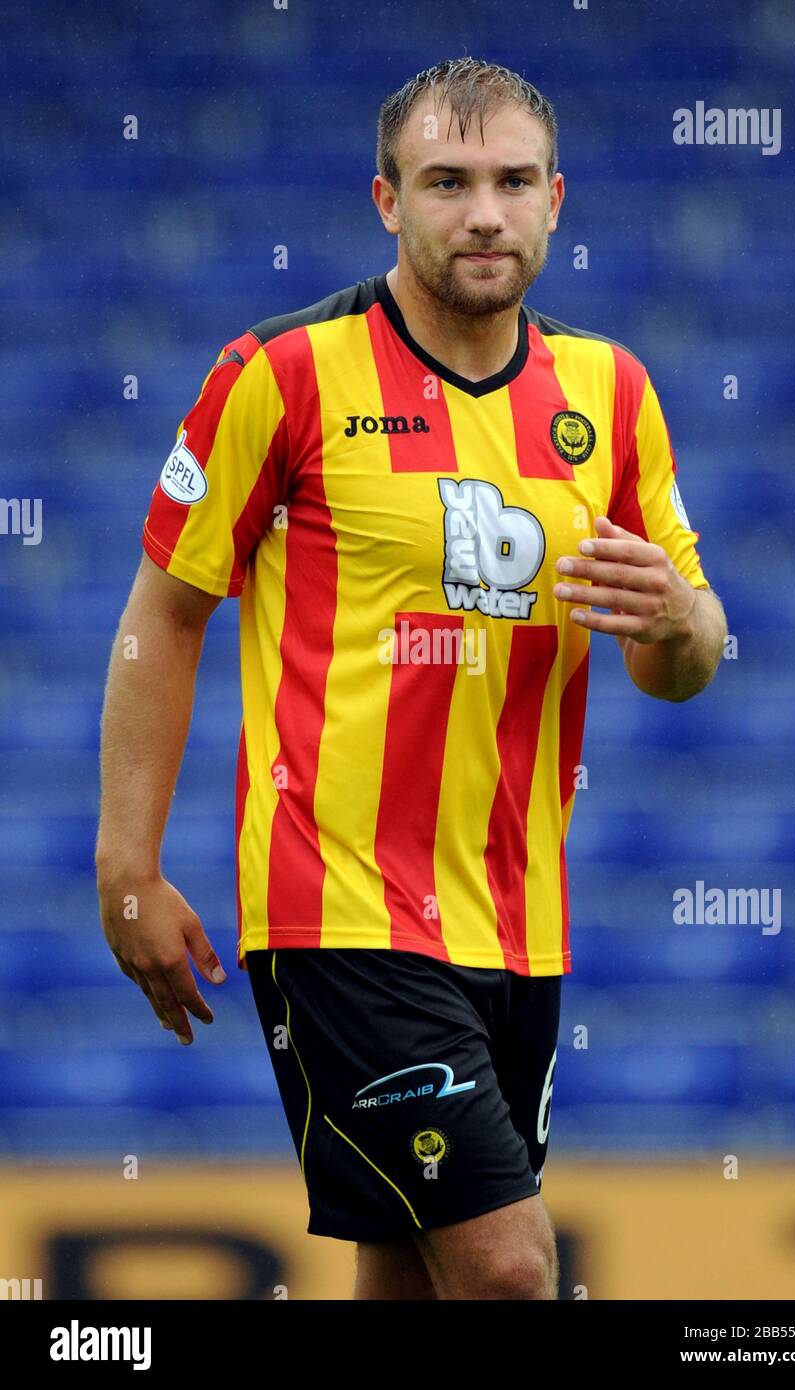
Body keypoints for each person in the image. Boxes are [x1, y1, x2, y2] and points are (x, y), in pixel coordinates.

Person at [96, 56, 727, 1301]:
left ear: (558, 199)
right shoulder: (278, 374)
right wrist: (129, 867)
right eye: (447, 182)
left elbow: (678, 662)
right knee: (502, 1266)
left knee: (408, 1276)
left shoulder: (610, 391)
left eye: (511, 181)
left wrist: (680, 620)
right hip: (338, 907)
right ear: (387, 200)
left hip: (518, 918)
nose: (483, 212)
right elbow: (163, 617)